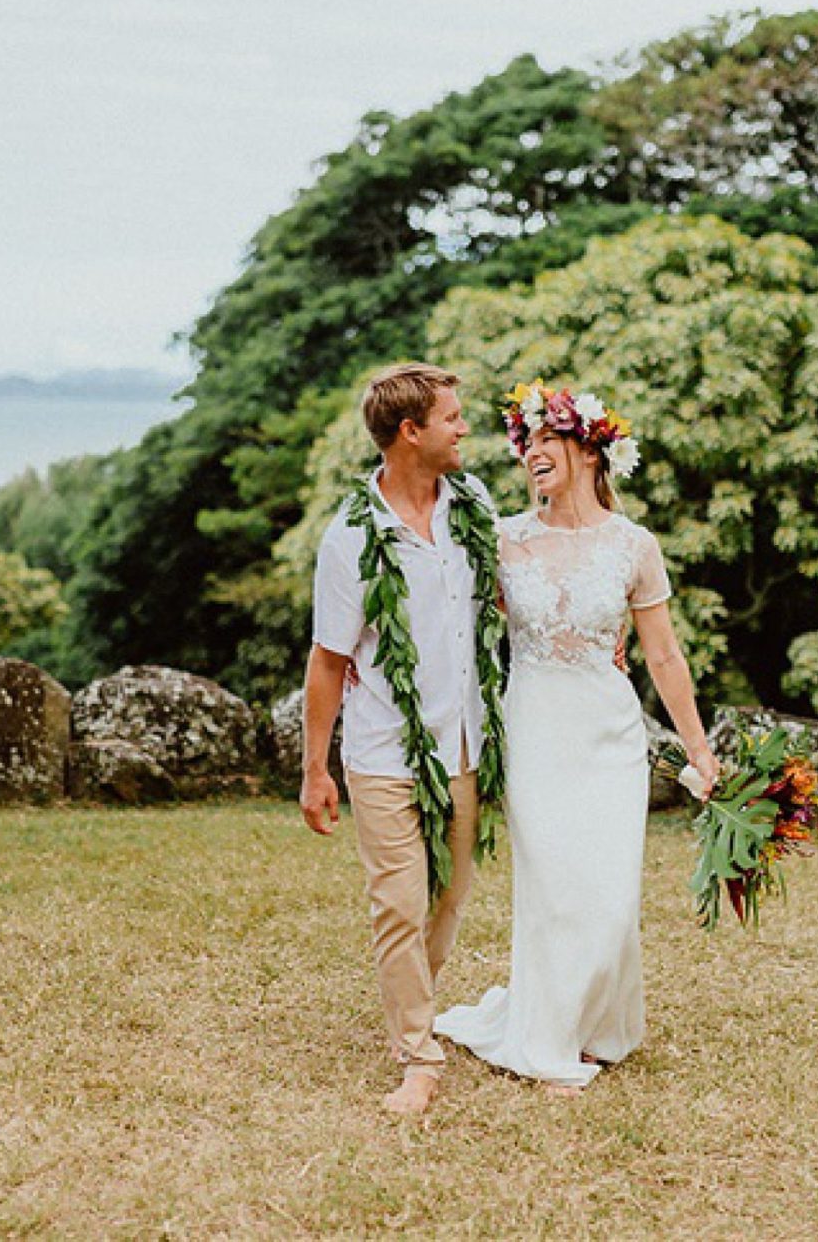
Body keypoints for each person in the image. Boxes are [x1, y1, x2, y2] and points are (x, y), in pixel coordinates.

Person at [435, 381, 720, 1097]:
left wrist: (698, 747)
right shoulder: (502, 538)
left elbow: (663, 656)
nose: (532, 452)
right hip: (534, 723)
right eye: (525, 442)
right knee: (557, 886)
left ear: (591, 451)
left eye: (545, 439)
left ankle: (597, 1024)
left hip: (608, 729)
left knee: (611, 891)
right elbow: (455, 617)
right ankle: (552, 1036)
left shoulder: (634, 545)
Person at [300, 362, 498, 1116]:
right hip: (384, 751)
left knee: (449, 899)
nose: (464, 427)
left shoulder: (472, 502)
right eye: (452, 417)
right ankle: (418, 1053)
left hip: (466, 747)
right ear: (410, 432)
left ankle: (411, 1005)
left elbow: (506, 592)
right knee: (399, 905)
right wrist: (315, 770)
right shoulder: (351, 536)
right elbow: (328, 659)